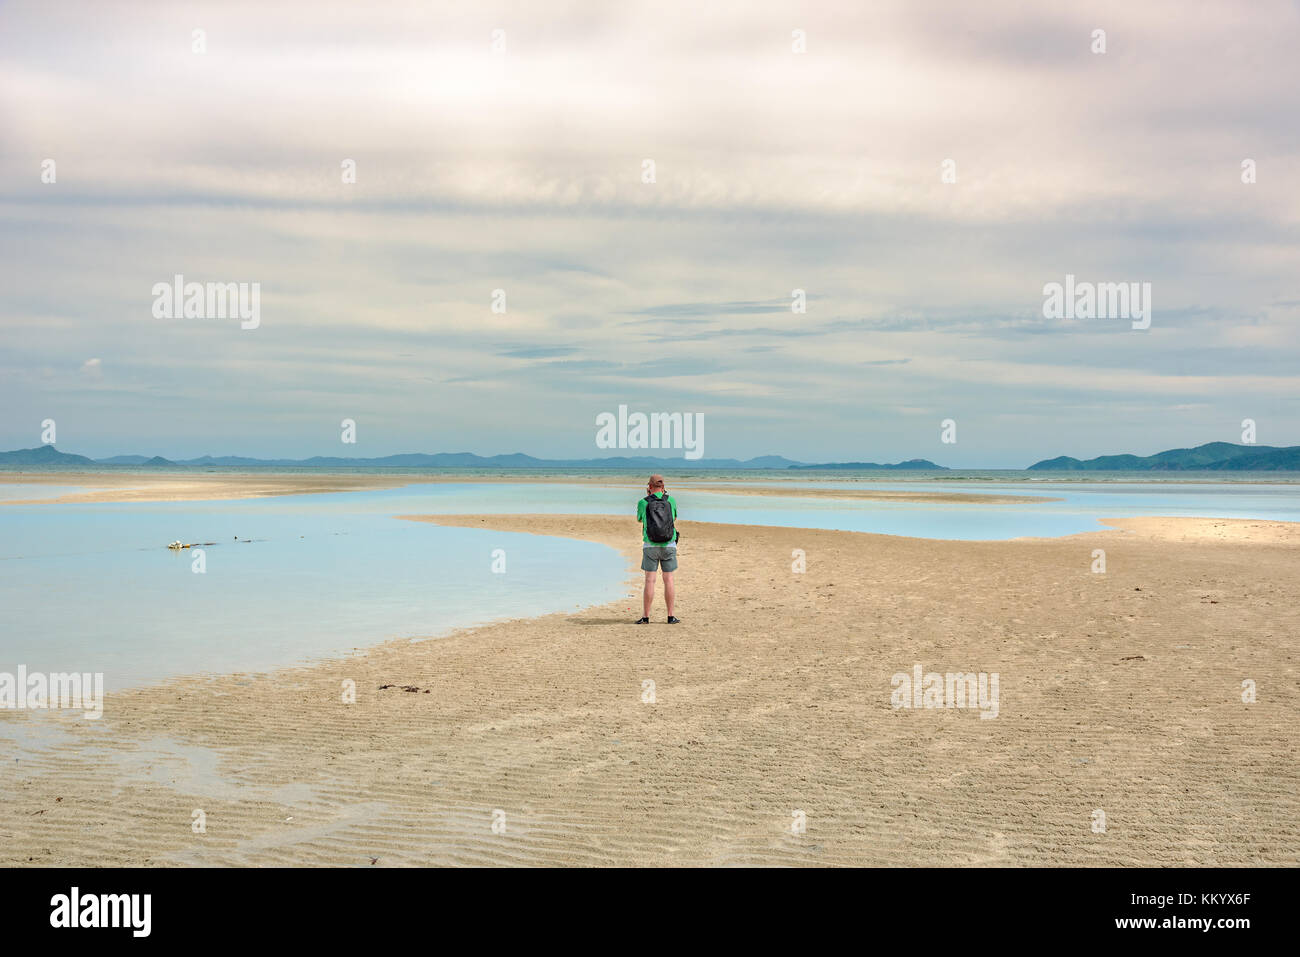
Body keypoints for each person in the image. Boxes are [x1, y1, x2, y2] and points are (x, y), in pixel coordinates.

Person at [636, 474, 680, 624]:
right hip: (669, 544)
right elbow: (674, 517)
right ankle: (670, 616)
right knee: (668, 580)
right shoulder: (671, 500)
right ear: (663, 487)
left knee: (650, 581)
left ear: (649, 487)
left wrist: (648, 498)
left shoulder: (643, 502)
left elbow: (640, 519)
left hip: (650, 545)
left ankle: (646, 617)